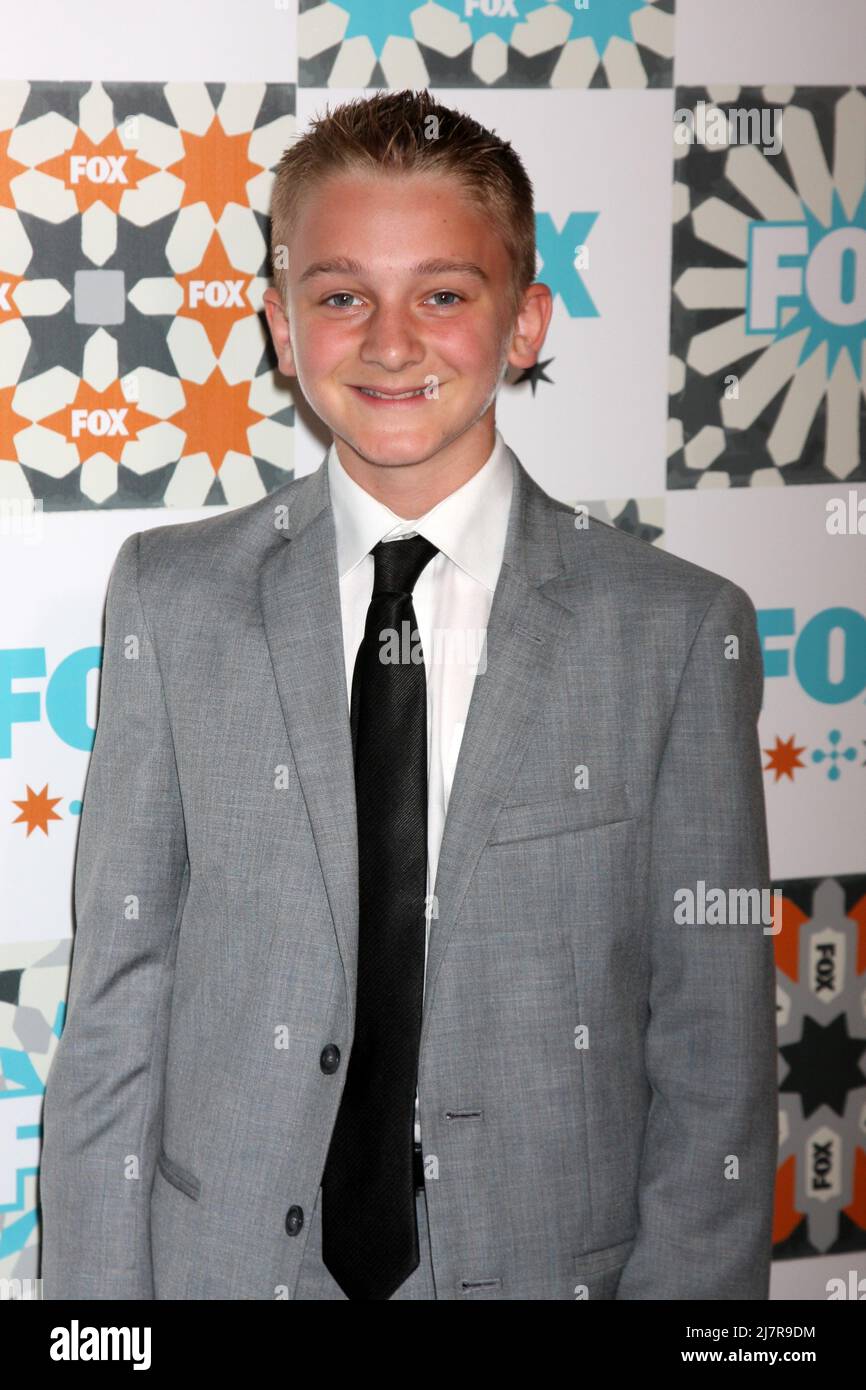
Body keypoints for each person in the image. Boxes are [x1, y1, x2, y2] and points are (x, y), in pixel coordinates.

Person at [39, 88, 778, 1301]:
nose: (390, 342)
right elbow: (118, 1007)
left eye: (442, 294)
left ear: (525, 322)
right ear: (282, 328)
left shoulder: (674, 633)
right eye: (340, 298)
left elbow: (712, 1062)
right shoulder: (171, 600)